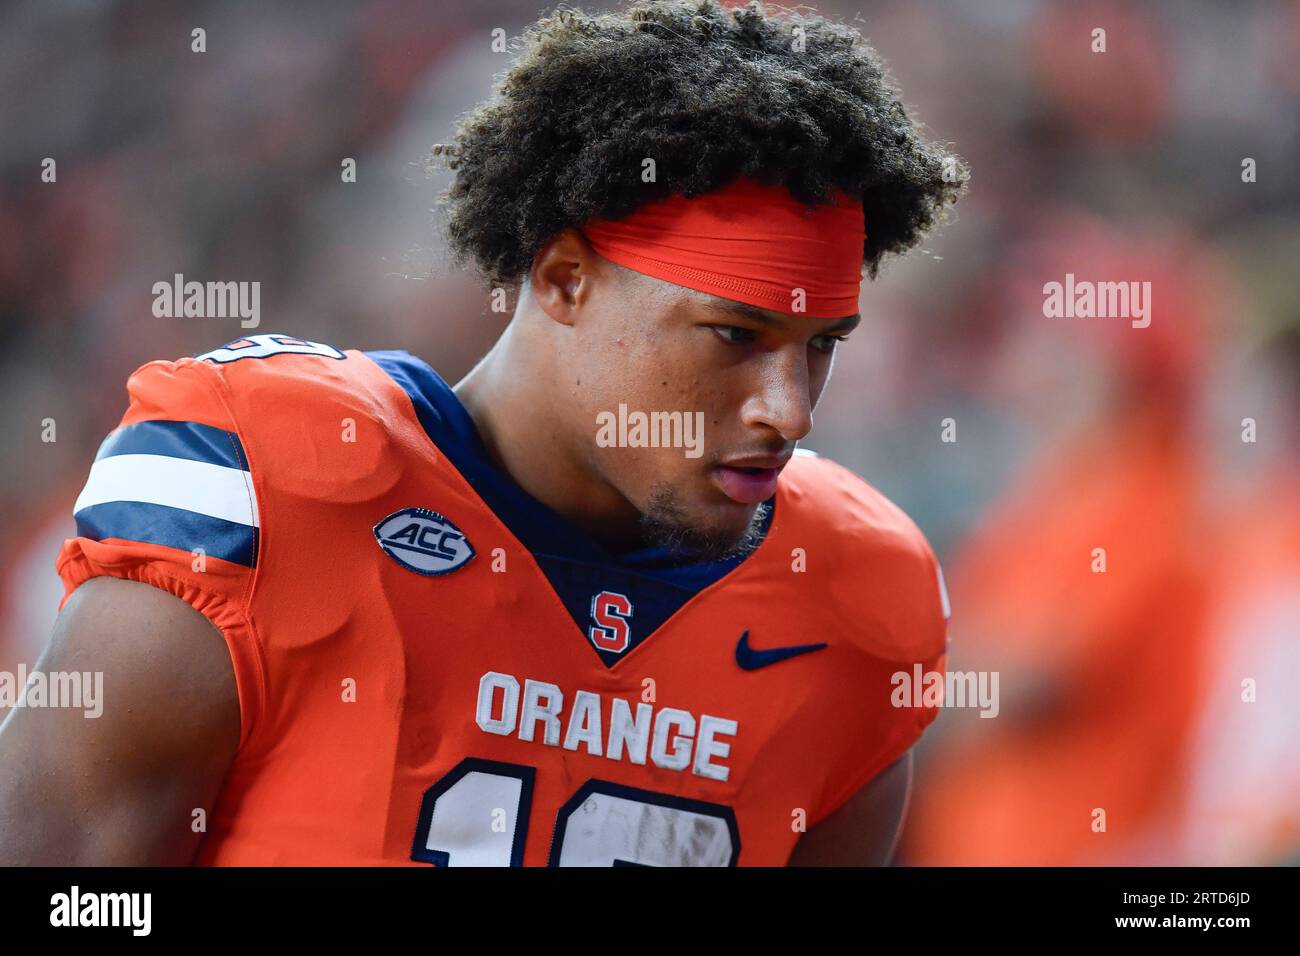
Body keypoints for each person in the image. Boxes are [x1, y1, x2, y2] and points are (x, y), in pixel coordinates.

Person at [0, 0, 965, 865]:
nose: (788, 410)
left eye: (820, 346)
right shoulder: (271, 481)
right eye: (737, 336)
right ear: (562, 280)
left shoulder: (853, 600)